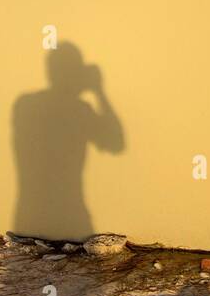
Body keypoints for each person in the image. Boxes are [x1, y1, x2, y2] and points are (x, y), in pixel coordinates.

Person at [11, 42, 125, 241]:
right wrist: (99, 91)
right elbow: (116, 143)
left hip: (28, 216)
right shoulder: (79, 110)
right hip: (71, 215)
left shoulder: (25, 104)